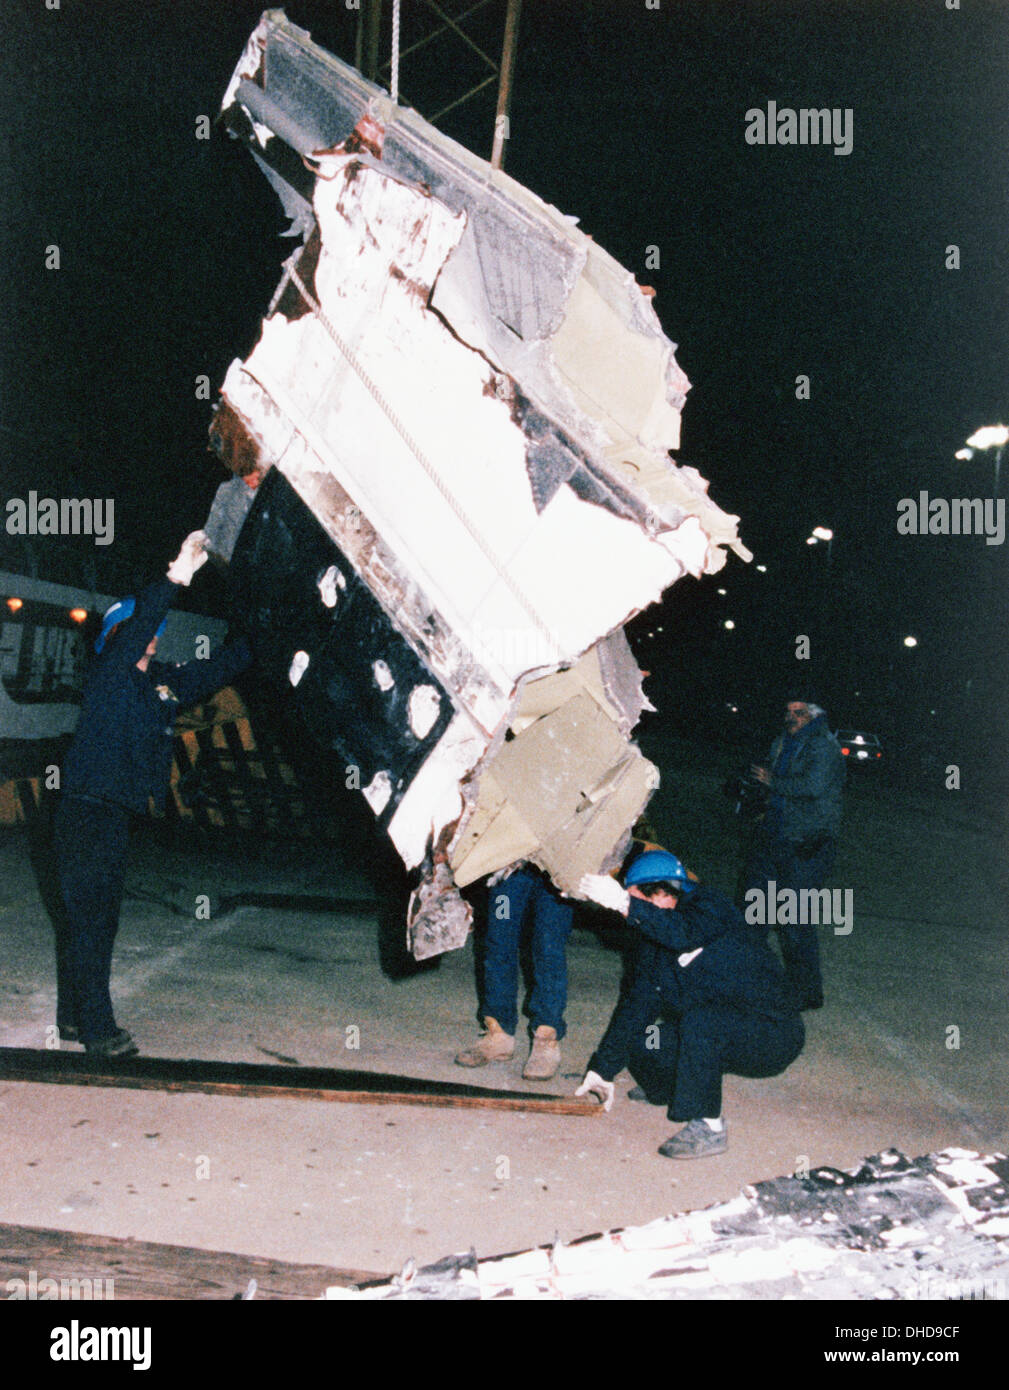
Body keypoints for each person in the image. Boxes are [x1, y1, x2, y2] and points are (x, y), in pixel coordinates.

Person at [53, 531, 252, 1056]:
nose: (155, 635)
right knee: (91, 924)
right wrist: (176, 577)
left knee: (95, 923)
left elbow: (211, 672)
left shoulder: (154, 684)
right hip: (83, 816)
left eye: (155, 630)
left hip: (112, 818)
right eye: (145, 628)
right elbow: (139, 623)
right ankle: (98, 1031)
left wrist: (265, 640)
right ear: (120, 635)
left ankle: (73, 1017)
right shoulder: (109, 676)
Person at [576, 851, 805, 1159]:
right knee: (648, 1041)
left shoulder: (711, 908)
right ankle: (669, 1087)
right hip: (720, 1030)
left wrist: (624, 903)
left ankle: (709, 1128)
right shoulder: (654, 938)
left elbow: (682, 932)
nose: (631, 916)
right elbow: (638, 1004)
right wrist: (602, 1070)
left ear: (662, 894)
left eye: (639, 903)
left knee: (701, 1021)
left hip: (770, 1035)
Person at [743, 695, 845, 1009]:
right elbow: (774, 785)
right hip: (774, 837)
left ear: (815, 716)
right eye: (788, 711)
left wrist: (773, 781)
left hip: (806, 844)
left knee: (794, 920)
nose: (792, 717)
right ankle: (746, 979)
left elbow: (811, 787)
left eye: (799, 712)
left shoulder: (824, 746)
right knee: (753, 912)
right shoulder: (782, 742)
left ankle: (807, 992)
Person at [455, 863, 574, 1081]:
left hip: (558, 867)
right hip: (510, 869)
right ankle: (498, 1033)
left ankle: (547, 1036)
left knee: (549, 945)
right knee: (499, 938)